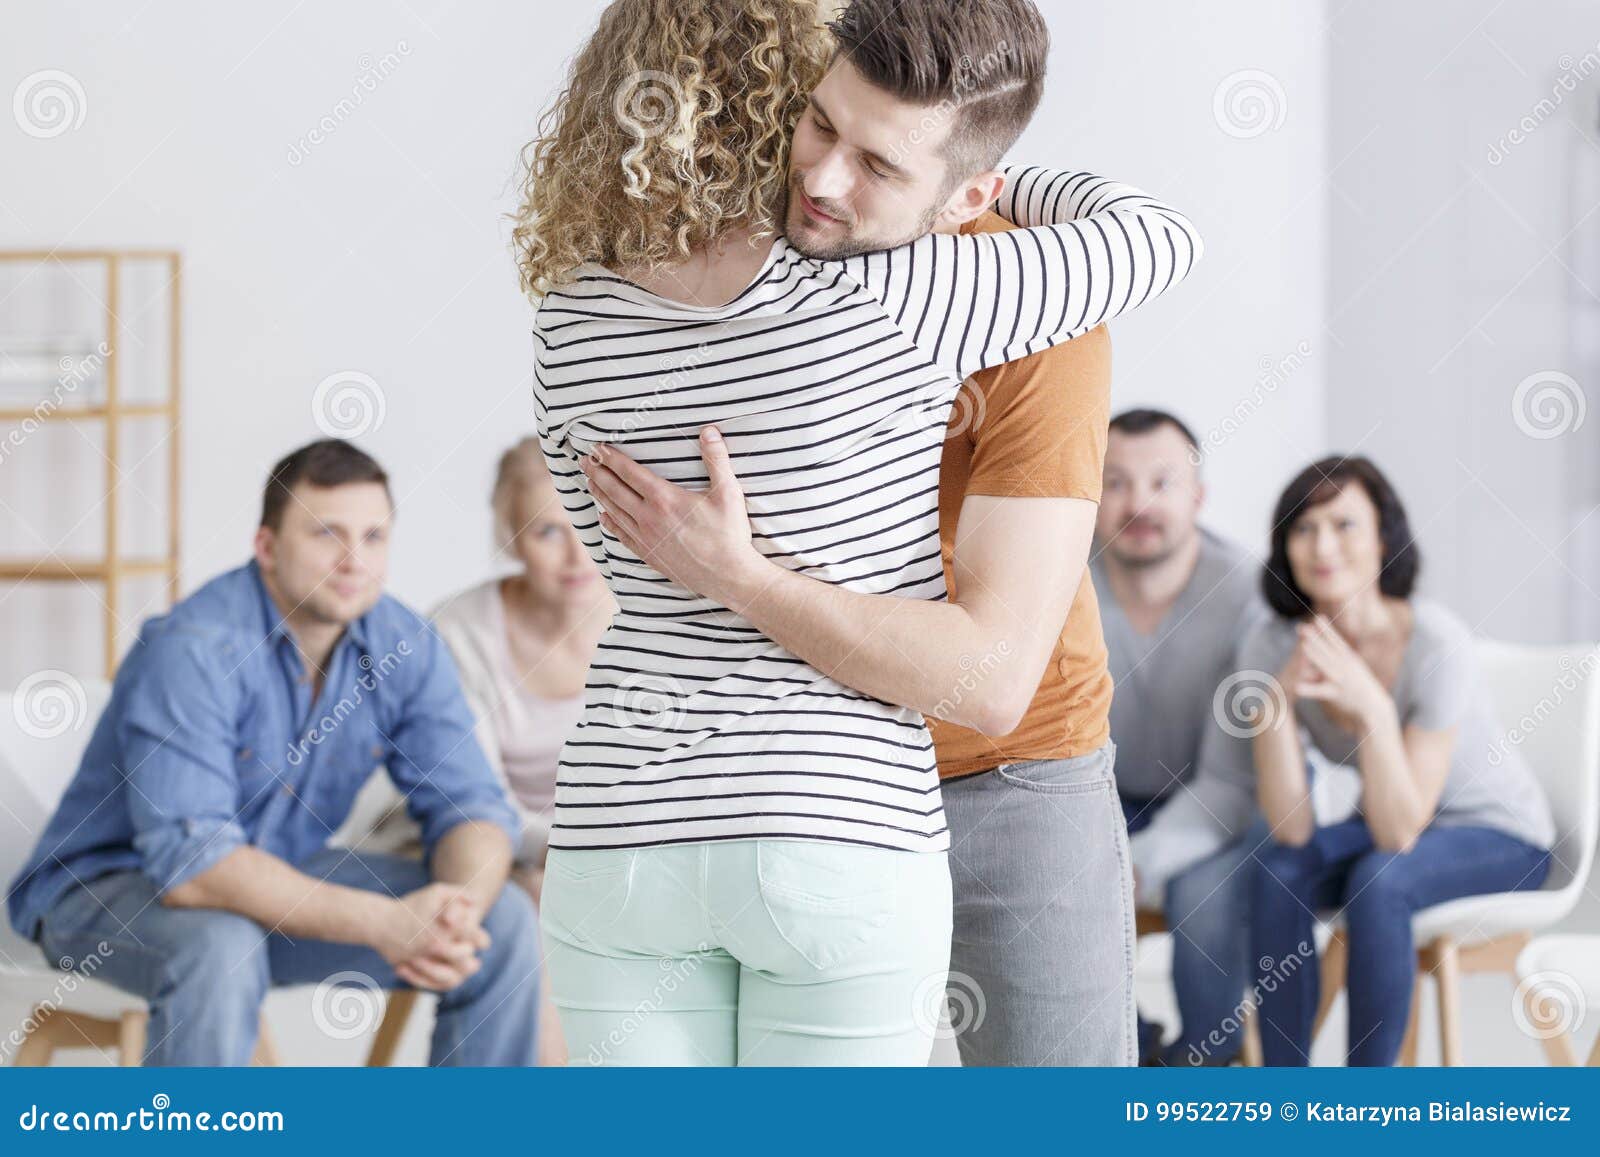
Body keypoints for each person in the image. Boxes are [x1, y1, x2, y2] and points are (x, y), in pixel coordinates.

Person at [514, 0, 1202, 1065]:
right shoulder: (875, 292)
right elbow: (1158, 238)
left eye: (879, 162)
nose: (824, 179)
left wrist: (742, 577)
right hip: (828, 803)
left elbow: (989, 682)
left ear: (966, 193)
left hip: (996, 774)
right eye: (818, 122)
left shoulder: (572, 314)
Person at [5, 439, 540, 1067]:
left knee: (502, 922)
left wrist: (454, 913)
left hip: (271, 879)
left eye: (373, 537)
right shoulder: (195, 648)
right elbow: (195, 868)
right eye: (326, 534)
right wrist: (386, 923)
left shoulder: (404, 644)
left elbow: (472, 807)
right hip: (107, 892)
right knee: (220, 944)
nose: (353, 561)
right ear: (266, 546)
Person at [1240, 456, 1554, 1066]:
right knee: (1279, 871)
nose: (1322, 546)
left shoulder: (1436, 642)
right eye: (1303, 528)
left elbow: (1399, 834)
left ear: (1383, 537)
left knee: (1379, 879)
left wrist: (1374, 712)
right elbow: (1294, 829)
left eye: (1344, 525)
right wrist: (1275, 709)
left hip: (1498, 834)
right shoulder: (1272, 644)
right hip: (1396, 822)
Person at [354, 436, 613, 1064]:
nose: (576, 554)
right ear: (512, 536)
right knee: (534, 913)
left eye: (588, 524)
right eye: (548, 532)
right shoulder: (458, 630)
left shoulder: (650, 623)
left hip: (604, 854)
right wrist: (562, 856)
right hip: (477, 844)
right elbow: (473, 795)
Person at [1087, 407, 1266, 1064]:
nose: (1139, 504)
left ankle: (1204, 1073)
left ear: (1198, 496)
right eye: (1115, 482)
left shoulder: (1249, 594)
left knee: (1202, 895)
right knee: (1059, 877)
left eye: (1162, 482)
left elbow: (1232, 781)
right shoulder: (1061, 581)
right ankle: (1132, 1058)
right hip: (1103, 799)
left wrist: (1139, 862)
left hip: (1222, 804)